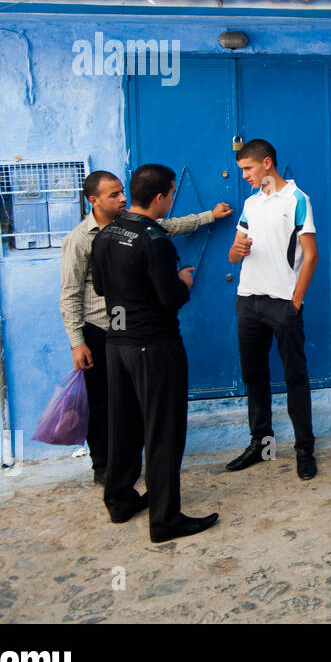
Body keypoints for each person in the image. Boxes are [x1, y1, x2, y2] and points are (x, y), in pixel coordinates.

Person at [60, 170, 230, 486]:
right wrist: (77, 341)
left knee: (132, 406)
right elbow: (70, 293)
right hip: (101, 330)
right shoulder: (80, 239)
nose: (122, 198)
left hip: (129, 333)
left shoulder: (133, 226)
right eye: (114, 195)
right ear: (94, 200)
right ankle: (104, 467)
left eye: (122, 191)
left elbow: (168, 225)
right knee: (103, 404)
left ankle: (124, 479)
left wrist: (209, 216)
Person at [92, 164, 218, 543]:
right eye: (172, 194)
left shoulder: (106, 233)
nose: (172, 200)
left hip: (117, 344)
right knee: (163, 431)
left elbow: (100, 288)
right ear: (161, 197)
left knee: (124, 425)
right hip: (153, 347)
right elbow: (171, 298)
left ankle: (119, 500)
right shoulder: (154, 240)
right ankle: (165, 520)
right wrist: (184, 280)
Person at [225, 138, 319, 480]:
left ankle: (304, 449)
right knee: (254, 377)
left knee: (295, 376)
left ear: (267, 163)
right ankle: (261, 444)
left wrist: (296, 300)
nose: (244, 175)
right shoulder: (250, 204)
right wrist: (236, 251)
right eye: (242, 170)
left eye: (248, 168)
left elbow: (311, 254)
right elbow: (233, 256)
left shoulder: (297, 199)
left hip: (283, 304)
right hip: (248, 300)